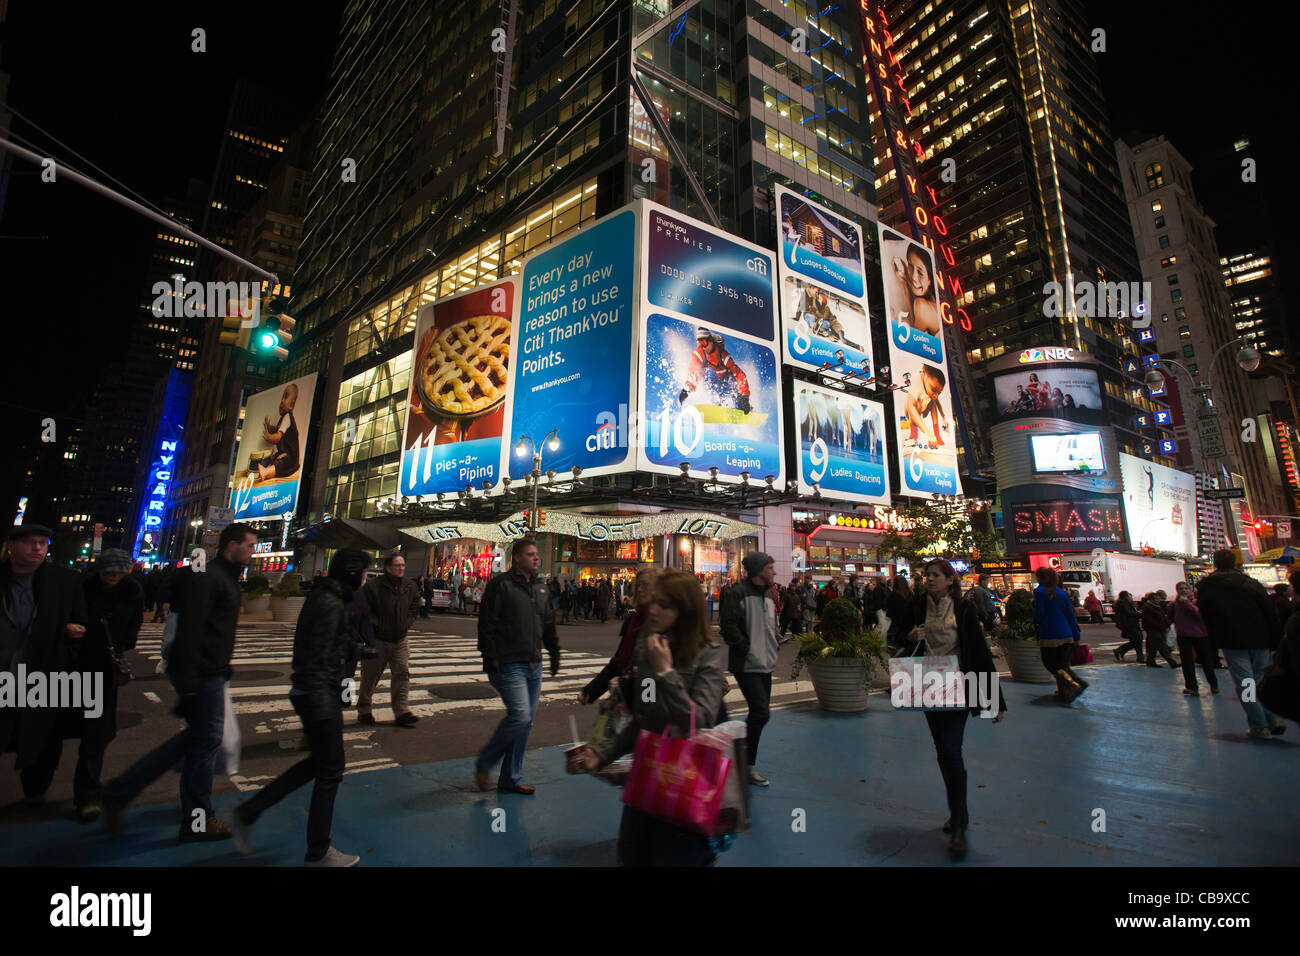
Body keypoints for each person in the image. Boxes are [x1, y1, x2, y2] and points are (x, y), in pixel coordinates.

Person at [103, 522, 257, 841]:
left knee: (194, 742)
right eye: (249, 545)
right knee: (203, 745)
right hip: (202, 675)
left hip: (209, 672)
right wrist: (190, 684)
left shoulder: (223, 577)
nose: (253, 551)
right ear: (231, 545)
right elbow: (191, 631)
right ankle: (197, 820)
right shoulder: (212, 579)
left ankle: (119, 793)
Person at [575, 570, 727, 866]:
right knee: (633, 855)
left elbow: (699, 722)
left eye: (665, 605)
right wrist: (600, 756)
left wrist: (666, 674)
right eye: (654, 602)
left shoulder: (705, 654)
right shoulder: (648, 646)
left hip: (687, 781)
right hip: (647, 777)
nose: (653, 610)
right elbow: (644, 720)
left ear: (685, 612)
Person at [233, 549, 372, 866]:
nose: (365, 577)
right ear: (351, 572)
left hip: (310, 692)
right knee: (331, 771)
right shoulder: (331, 603)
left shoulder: (326, 596)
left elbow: (323, 644)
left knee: (318, 764)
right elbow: (319, 660)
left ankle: (250, 811)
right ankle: (318, 852)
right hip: (318, 694)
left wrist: (355, 649)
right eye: (363, 571)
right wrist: (329, 705)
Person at [904, 559, 1006, 858]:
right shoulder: (916, 606)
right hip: (927, 683)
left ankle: (959, 821)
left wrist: (992, 702)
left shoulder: (964, 608)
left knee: (951, 750)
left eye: (935, 575)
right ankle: (958, 813)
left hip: (958, 684)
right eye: (927, 576)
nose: (929, 580)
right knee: (942, 751)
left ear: (950, 580)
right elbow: (896, 635)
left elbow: (980, 653)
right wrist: (908, 635)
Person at [0, 524, 89, 808]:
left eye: (42, 543)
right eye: (30, 542)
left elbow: (81, 621)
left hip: (44, 671)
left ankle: (35, 791)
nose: (37, 548)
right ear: (11, 546)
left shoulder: (64, 581)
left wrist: (70, 634)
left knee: (44, 735)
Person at [475, 539, 559, 793]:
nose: (536, 558)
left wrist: (554, 652)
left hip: (533, 664)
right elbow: (487, 623)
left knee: (526, 722)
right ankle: (485, 762)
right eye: (531, 554)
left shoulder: (541, 588)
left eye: (537, 554)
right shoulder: (501, 585)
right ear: (517, 558)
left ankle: (511, 777)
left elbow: (548, 624)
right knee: (520, 716)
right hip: (508, 663)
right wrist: (489, 656)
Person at [68, 549, 144, 823]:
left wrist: (121, 644)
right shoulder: (83, 588)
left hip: (105, 669)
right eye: (109, 570)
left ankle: (87, 795)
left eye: (119, 570)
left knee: (97, 735)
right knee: (60, 729)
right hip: (73, 662)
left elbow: (132, 628)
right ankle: (40, 785)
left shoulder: (132, 591)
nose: (114, 575)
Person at [1196, 549, 1285, 739]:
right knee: (1262, 680)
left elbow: (1206, 617)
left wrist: (1213, 640)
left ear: (1215, 564)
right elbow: (1269, 612)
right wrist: (1275, 639)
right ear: (1235, 563)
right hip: (1260, 638)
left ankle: (1259, 725)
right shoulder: (1251, 584)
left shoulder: (1207, 587)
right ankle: (1273, 717)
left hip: (1232, 640)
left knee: (1246, 684)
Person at [720, 552, 779, 786]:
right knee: (761, 712)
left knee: (759, 714)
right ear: (758, 570)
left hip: (765, 663)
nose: (774, 571)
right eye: (770, 568)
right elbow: (728, 626)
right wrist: (746, 647)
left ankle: (742, 761)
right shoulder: (738, 593)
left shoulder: (769, 594)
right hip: (746, 664)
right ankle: (743, 762)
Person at [579, 567, 661, 706]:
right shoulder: (633, 620)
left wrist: (624, 685)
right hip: (630, 702)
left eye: (645, 585)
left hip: (647, 705)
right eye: (638, 585)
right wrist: (591, 691)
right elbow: (619, 661)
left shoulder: (659, 621)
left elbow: (652, 674)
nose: (640, 589)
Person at [358, 552, 421, 727]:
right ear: (388, 567)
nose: (401, 568)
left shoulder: (410, 586)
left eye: (403, 565)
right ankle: (364, 709)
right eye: (397, 565)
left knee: (401, 672)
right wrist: (375, 625)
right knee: (370, 676)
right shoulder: (373, 587)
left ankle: (401, 710)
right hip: (378, 639)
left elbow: (415, 605)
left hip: (400, 638)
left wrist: (406, 623)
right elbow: (363, 610)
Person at [1032, 566, 1087, 703]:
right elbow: (1070, 615)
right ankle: (1065, 691)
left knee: (1050, 663)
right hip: (1066, 632)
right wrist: (1075, 635)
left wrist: (1034, 621)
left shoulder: (1039, 592)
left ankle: (1075, 683)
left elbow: (1040, 613)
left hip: (1049, 632)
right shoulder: (1062, 593)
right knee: (1063, 664)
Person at [678, 327, 752, 415]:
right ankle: (721, 404)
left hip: (726, 380)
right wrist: (686, 390)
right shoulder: (699, 354)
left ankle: (741, 405)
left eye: (704, 343)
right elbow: (694, 372)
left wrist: (745, 396)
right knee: (708, 371)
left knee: (732, 380)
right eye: (700, 343)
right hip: (714, 383)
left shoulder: (723, 355)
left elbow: (739, 374)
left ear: (711, 341)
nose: (703, 347)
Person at [1168, 581, 1218, 697]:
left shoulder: (1195, 602)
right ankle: (1191, 687)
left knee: (1206, 661)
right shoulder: (1174, 604)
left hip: (1199, 635)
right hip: (1183, 636)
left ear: (1190, 590)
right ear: (1177, 591)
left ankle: (1213, 684)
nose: (1183, 590)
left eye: (1185, 588)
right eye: (1181, 588)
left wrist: (1185, 603)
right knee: (1187, 662)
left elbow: (1198, 615)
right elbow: (1169, 617)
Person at [251, 382, 301, 482]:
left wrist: (269, 436)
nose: (282, 401)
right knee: (274, 456)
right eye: (282, 398)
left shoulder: (287, 417)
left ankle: (267, 472)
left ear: (291, 405)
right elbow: (278, 429)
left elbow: (277, 437)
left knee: (282, 464)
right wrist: (270, 428)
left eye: (285, 397)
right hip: (284, 453)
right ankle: (266, 467)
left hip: (290, 457)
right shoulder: (284, 419)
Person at [904, 365, 949, 450]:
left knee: (933, 400)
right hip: (912, 413)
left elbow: (937, 403)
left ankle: (937, 434)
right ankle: (913, 434)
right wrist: (928, 434)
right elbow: (910, 407)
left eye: (938, 393)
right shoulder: (916, 383)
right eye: (934, 390)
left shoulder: (932, 392)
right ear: (924, 372)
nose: (936, 395)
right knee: (916, 403)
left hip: (924, 410)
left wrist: (944, 418)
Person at [1140, 591, 1177, 668]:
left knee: (1154, 646)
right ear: (1151, 600)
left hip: (1159, 629)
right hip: (1154, 629)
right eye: (1156, 599)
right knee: (1162, 646)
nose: (1158, 601)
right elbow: (1150, 620)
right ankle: (1172, 662)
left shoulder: (1156, 606)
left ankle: (1150, 661)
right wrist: (1162, 626)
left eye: (1159, 599)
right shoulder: (1148, 607)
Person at [887, 576, 918, 654]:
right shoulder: (911, 594)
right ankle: (916, 666)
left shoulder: (893, 595)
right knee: (913, 653)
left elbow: (890, 612)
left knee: (895, 651)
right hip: (910, 626)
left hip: (896, 626)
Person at [1112, 591, 1143, 661]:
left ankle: (1120, 650)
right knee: (1137, 640)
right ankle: (1139, 657)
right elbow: (1129, 614)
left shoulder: (1124, 604)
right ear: (1126, 597)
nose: (1131, 597)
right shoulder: (1123, 604)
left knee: (1136, 640)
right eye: (1129, 595)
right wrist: (1139, 614)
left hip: (1131, 625)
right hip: (1129, 625)